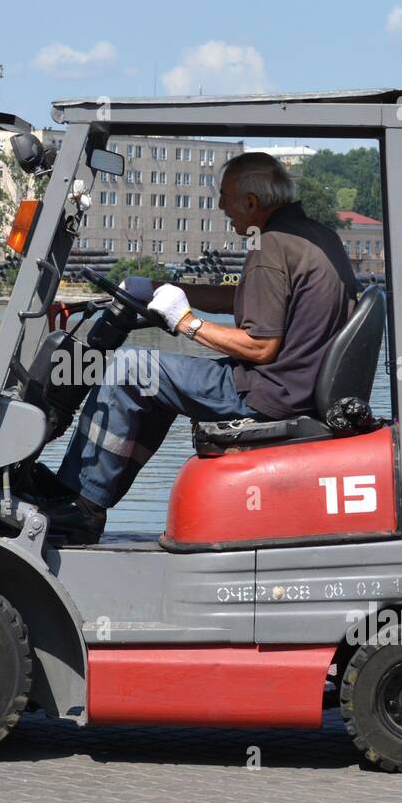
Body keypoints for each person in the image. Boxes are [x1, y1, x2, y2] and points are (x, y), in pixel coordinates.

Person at [49, 151, 359, 544]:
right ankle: (90, 498)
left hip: (266, 392)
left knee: (129, 367)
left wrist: (185, 322)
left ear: (251, 202)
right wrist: (166, 291)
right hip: (292, 384)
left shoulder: (271, 246)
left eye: (225, 196)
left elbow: (261, 347)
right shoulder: (311, 236)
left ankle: (80, 503)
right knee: (154, 388)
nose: (220, 207)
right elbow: (245, 299)